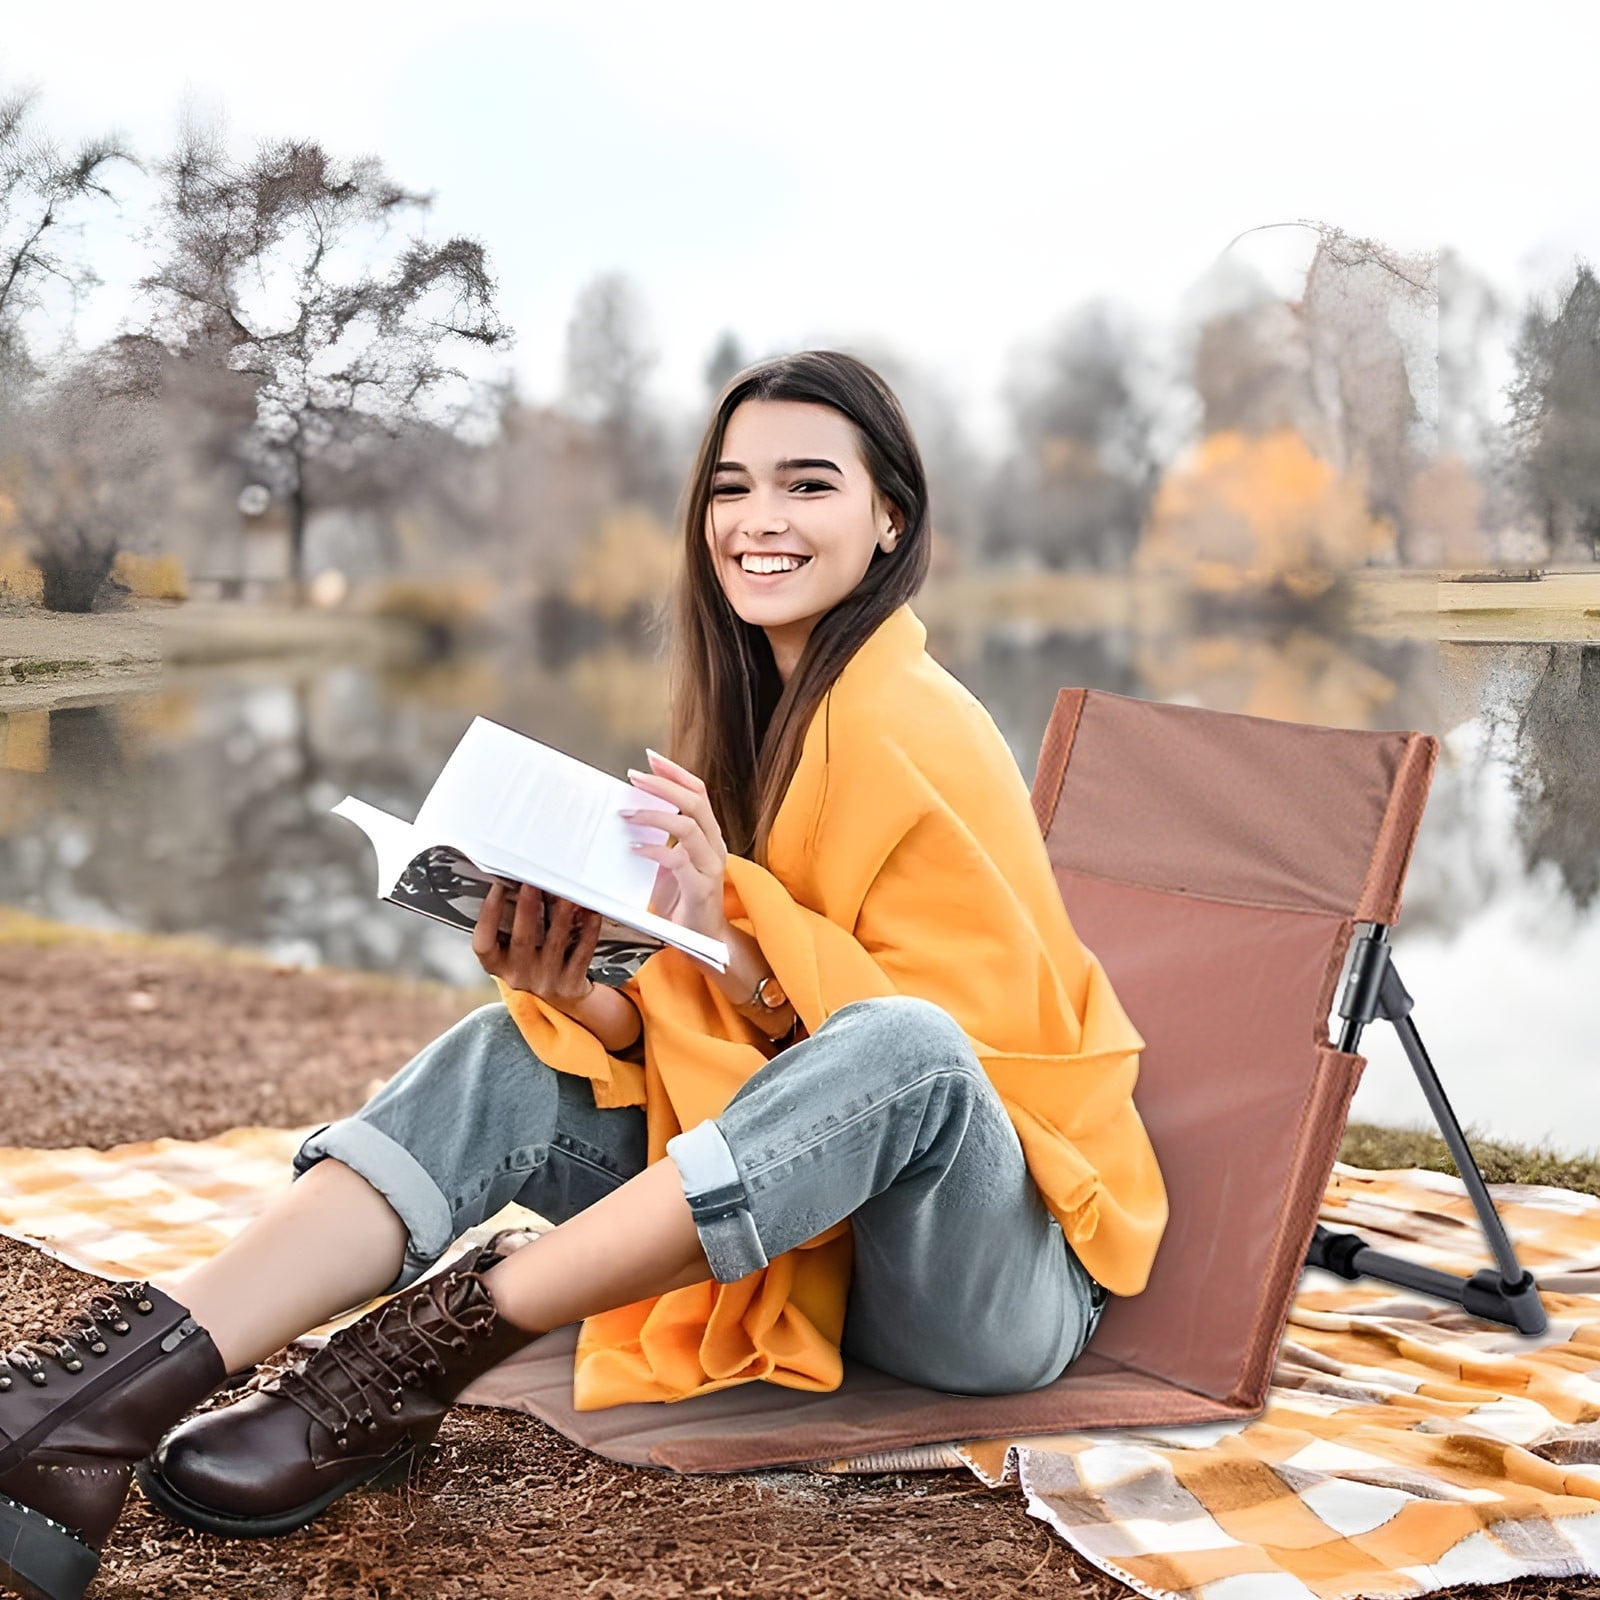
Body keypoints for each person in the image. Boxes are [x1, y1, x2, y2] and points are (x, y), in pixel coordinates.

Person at [0, 350, 1168, 1600]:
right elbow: (734, 1039)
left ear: (890, 519)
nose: (757, 521)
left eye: (807, 485)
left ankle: (412, 1359)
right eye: (730, 488)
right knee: (509, 1050)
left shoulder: (918, 719)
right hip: (810, 1224)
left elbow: (948, 1070)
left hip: (994, 1284)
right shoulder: (747, 722)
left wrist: (732, 909)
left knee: (910, 1044)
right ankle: (91, 1409)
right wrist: (584, 988)